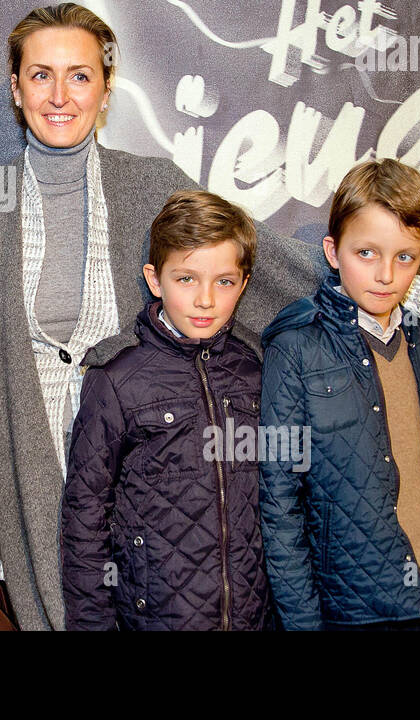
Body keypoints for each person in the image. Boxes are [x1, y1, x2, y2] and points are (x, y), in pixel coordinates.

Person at [0, 2, 420, 630]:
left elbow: (272, 263)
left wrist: (419, 299)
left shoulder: (148, 183)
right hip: (29, 446)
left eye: (80, 75)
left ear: (106, 87)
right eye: (41, 75)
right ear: (16, 89)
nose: (60, 94)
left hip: (151, 451)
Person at [258, 158, 420, 630]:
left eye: (405, 257)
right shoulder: (295, 347)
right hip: (351, 607)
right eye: (366, 254)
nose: (385, 274)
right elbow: (279, 501)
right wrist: (302, 623)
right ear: (332, 251)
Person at [60, 190, 269, 630]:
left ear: (244, 283)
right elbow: (85, 518)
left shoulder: (256, 369)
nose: (206, 300)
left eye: (224, 281)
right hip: (156, 618)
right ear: (155, 280)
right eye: (187, 279)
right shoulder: (116, 378)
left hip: (251, 617)